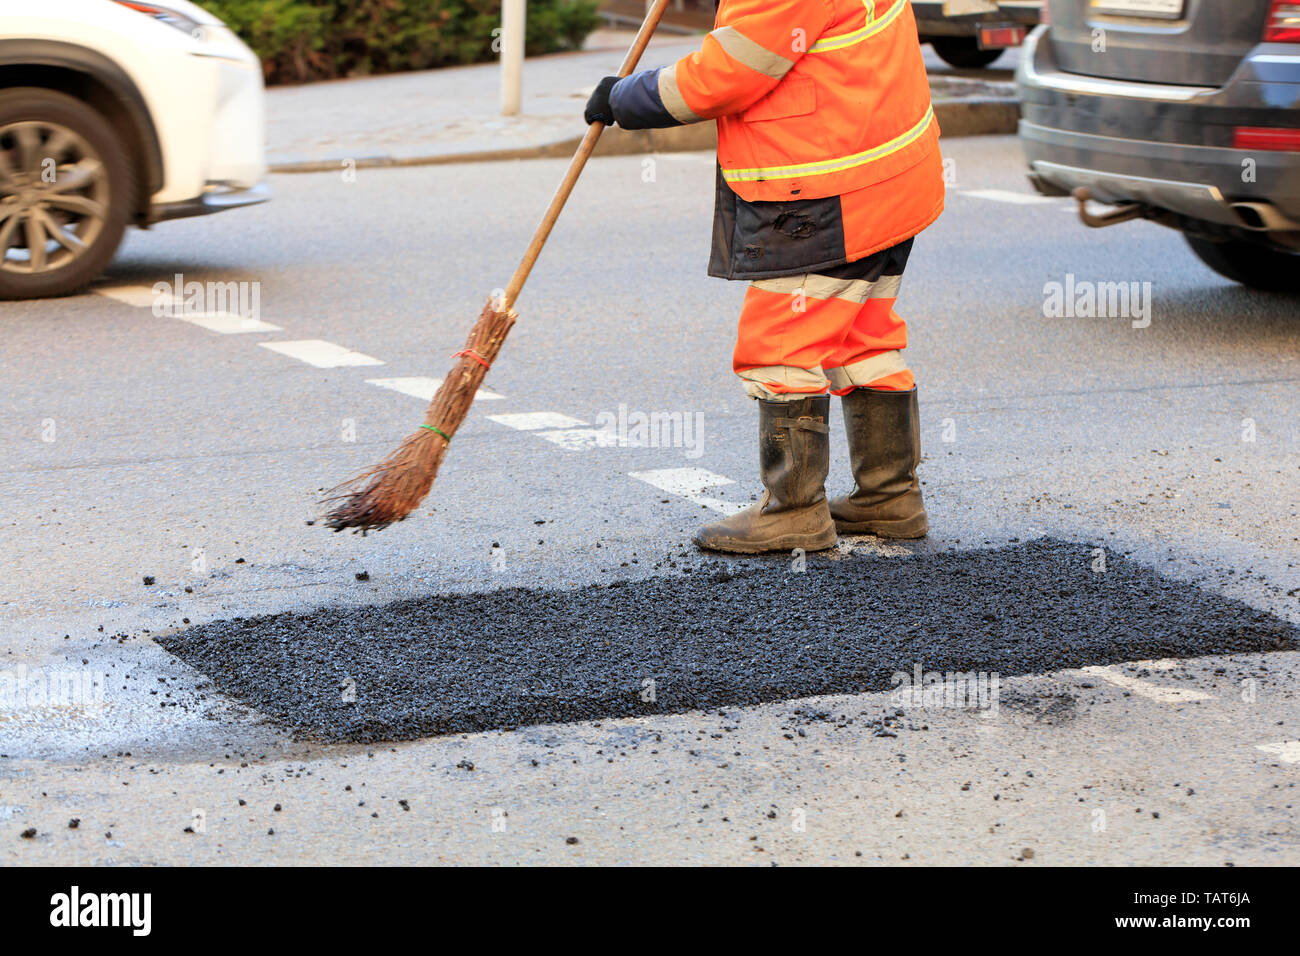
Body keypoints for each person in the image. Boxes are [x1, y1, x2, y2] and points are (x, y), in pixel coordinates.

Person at [586, 0, 945, 554]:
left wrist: (626, 97)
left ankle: (795, 512)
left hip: (827, 188)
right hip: (886, 172)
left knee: (781, 346)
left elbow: (730, 72)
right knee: (861, 338)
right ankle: (889, 497)